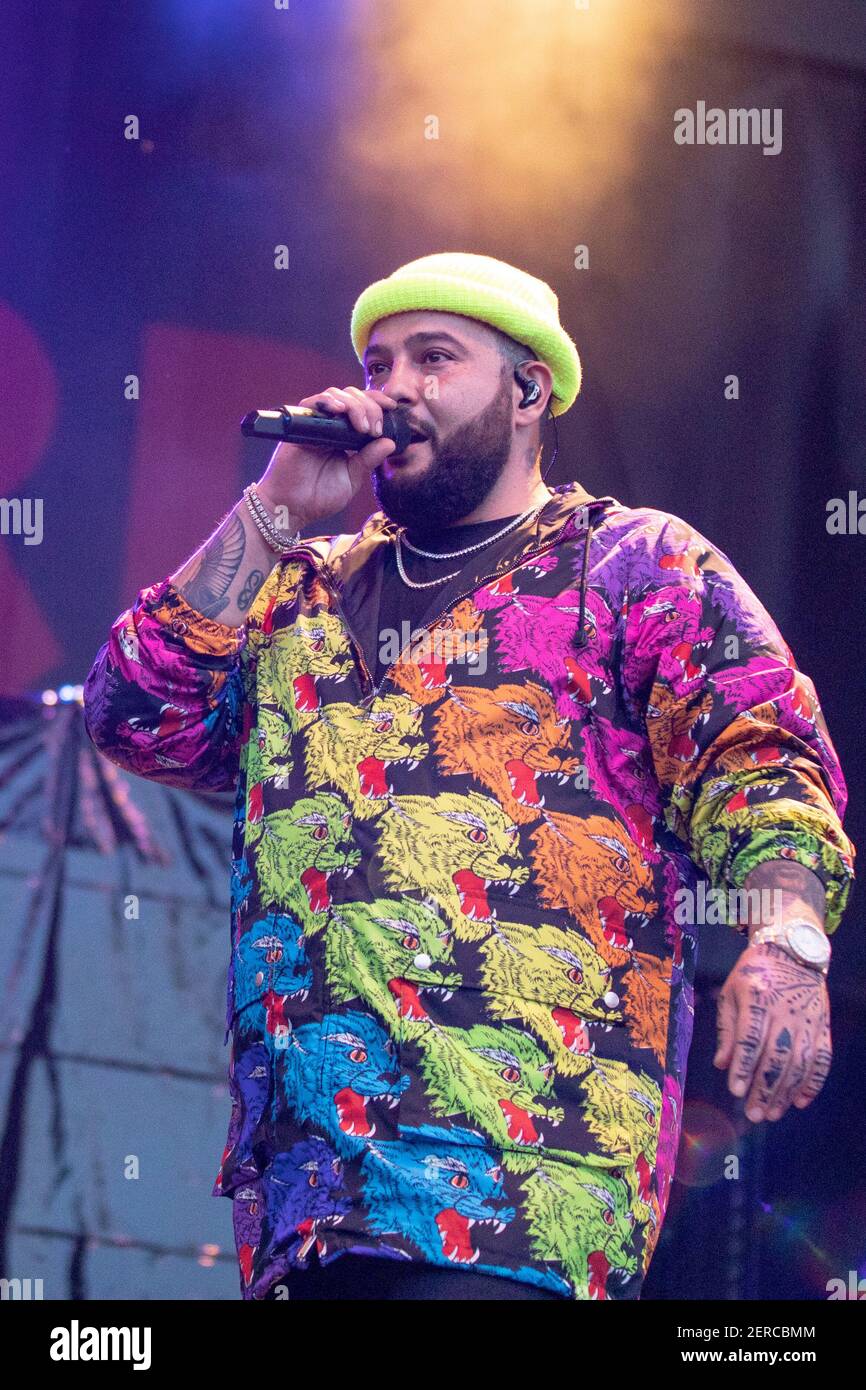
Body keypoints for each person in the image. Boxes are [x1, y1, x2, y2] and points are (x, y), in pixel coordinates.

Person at [82, 252, 855, 1301]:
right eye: (377, 359)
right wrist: (273, 510)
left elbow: (759, 755)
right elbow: (133, 715)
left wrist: (787, 937)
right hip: (309, 1207)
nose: (392, 385)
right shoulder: (296, 594)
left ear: (527, 390)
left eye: (434, 358)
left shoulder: (628, 564)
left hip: (518, 1201)